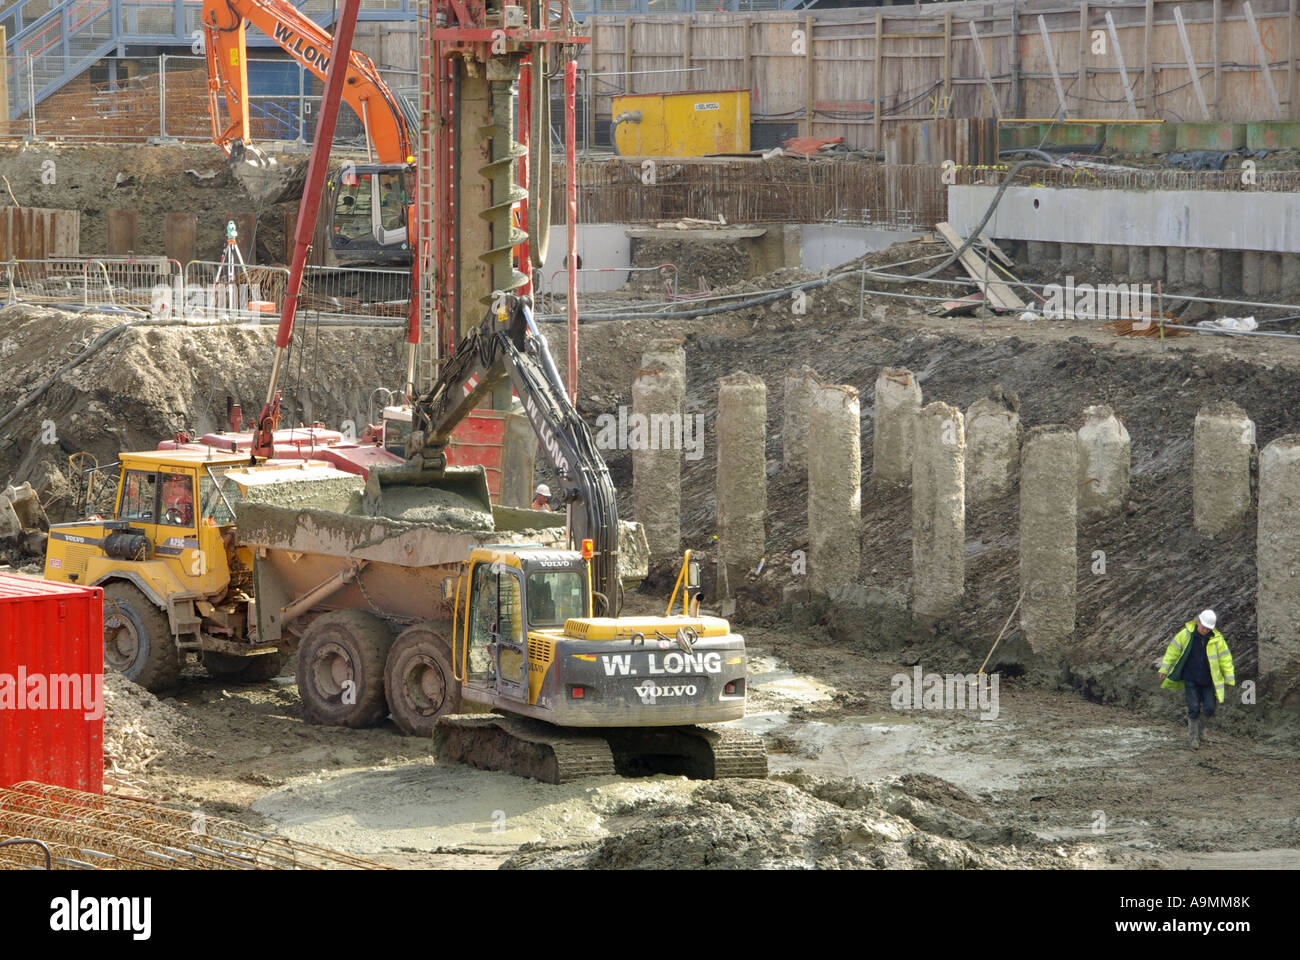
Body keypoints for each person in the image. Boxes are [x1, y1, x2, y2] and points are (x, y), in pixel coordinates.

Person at [1158, 609, 1235, 749]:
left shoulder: (1218, 640)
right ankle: (1193, 738)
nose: (1205, 630)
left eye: (1208, 628)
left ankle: (1200, 731)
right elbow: (1172, 652)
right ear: (1198, 622)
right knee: (1193, 708)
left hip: (1208, 681)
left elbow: (1226, 660)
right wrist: (1164, 669)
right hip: (1191, 679)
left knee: (1210, 708)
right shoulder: (1186, 635)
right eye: (1203, 626)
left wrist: (1229, 679)